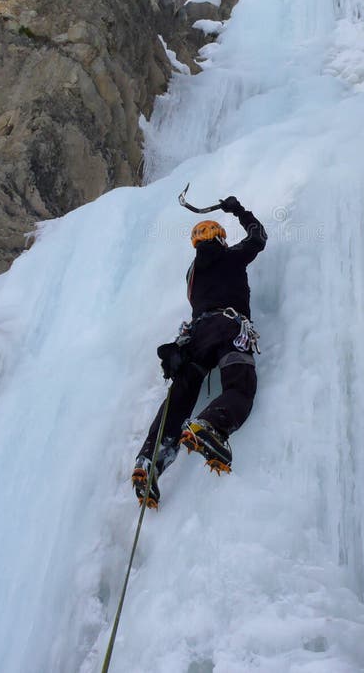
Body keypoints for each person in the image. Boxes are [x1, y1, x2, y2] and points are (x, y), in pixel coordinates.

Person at [132, 196, 267, 508]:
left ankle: (149, 461)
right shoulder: (232, 256)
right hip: (228, 328)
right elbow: (258, 237)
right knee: (240, 386)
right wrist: (239, 210)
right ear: (219, 237)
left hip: (195, 339)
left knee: (178, 401)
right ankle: (211, 425)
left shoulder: (192, 275)